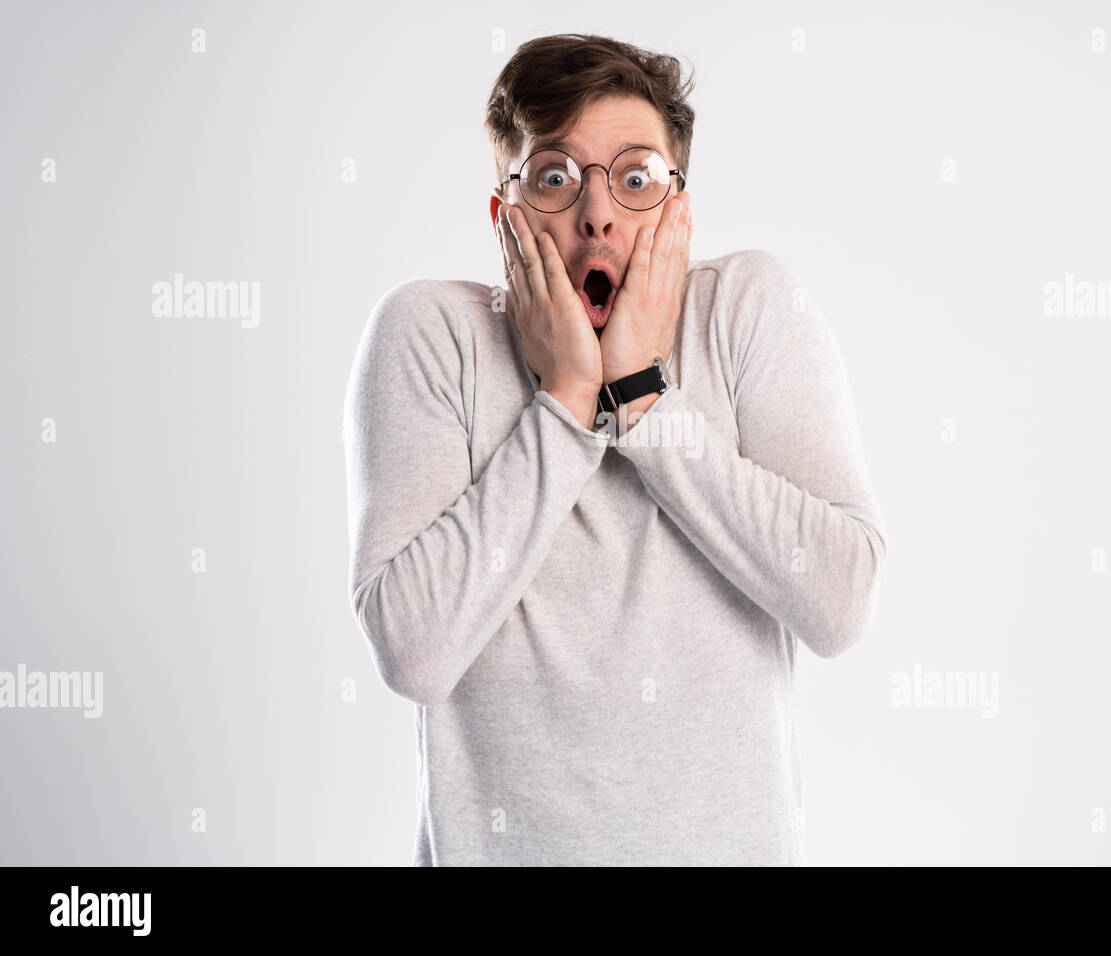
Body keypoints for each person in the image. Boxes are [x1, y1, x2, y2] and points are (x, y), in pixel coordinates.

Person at [342, 33, 888, 866]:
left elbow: (842, 603)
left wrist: (641, 394)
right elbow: (414, 653)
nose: (597, 212)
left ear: (678, 211)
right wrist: (564, 403)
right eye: (555, 177)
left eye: (635, 179)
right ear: (506, 216)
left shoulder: (748, 309)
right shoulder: (431, 334)